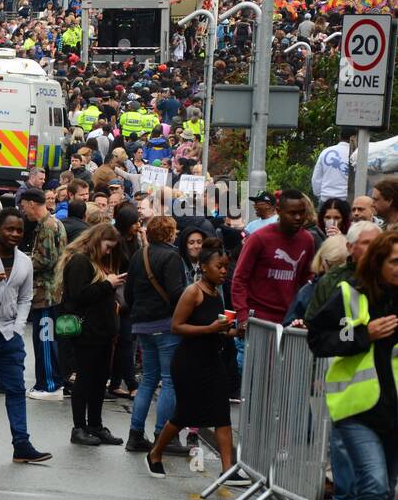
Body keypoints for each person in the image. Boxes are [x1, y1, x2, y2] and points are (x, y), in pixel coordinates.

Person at [307, 229, 398, 500]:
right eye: (394, 261)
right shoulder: (350, 294)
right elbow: (317, 339)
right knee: (374, 484)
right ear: (377, 262)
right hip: (357, 410)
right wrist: (363, 335)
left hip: (395, 414)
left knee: (385, 492)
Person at [145, 240, 250, 481]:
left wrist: (235, 331)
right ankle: (155, 453)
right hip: (189, 363)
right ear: (203, 266)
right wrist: (210, 328)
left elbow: (218, 330)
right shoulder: (193, 292)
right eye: (218, 266)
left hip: (213, 361)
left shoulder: (217, 293)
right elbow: (177, 327)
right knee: (184, 414)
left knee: (222, 414)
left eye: (226, 266)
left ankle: (227, 470)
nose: (224, 271)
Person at [0, 211, 52, 463]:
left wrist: (19, 328)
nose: (14, 234)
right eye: (9, 229)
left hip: (9, 334)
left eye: (19, 231)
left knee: (16, 389)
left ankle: (21, 444)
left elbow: (25, 298)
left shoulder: (24, 262)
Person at [58, 223, 127, 446]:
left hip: (103, 331)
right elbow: (78, 296)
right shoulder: (80, 261)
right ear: (98, 241)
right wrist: (108, 285)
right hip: (86, 332)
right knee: (85, 381)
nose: (109, 252)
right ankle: (79, 427)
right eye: (108, 247)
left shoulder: (98, 261)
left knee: (99, 382)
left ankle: (95, 425)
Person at [125, 215, 188, 454]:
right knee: (168, 380)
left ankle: (135, 434)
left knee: (148, 380)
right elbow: (176, 293)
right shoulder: (171, 256)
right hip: (165, 324)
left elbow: (129, 292)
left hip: (142, 324)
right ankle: (164, 435)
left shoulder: (138, 255)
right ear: (170, 233)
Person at [232, 189, 315, 328]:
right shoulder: (259, 238)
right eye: (292, 213)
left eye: (301, 212)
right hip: (258, 319)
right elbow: (239, 279)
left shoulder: (307, 240)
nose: (298, 217)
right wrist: (242, 316)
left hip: (290, 319)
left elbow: (308, 279)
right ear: (279, 211)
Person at [22, 188, 66, 400]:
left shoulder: (48, 226)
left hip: (46, 294)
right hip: (48, 292)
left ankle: (50, 385)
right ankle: (46, 383)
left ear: (32, 203)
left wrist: (23, 264)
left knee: (45, 340)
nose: (24, 212)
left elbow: (47, 259)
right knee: (44, 339)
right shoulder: (53, 223)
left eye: (24, 207)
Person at [312, 128, 354, 202]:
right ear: (354, 138)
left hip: (326, 199)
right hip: (347, 201)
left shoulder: (325, 152)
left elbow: (316, 179)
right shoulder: (358, 154)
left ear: (340, 137)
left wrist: (320, 196)